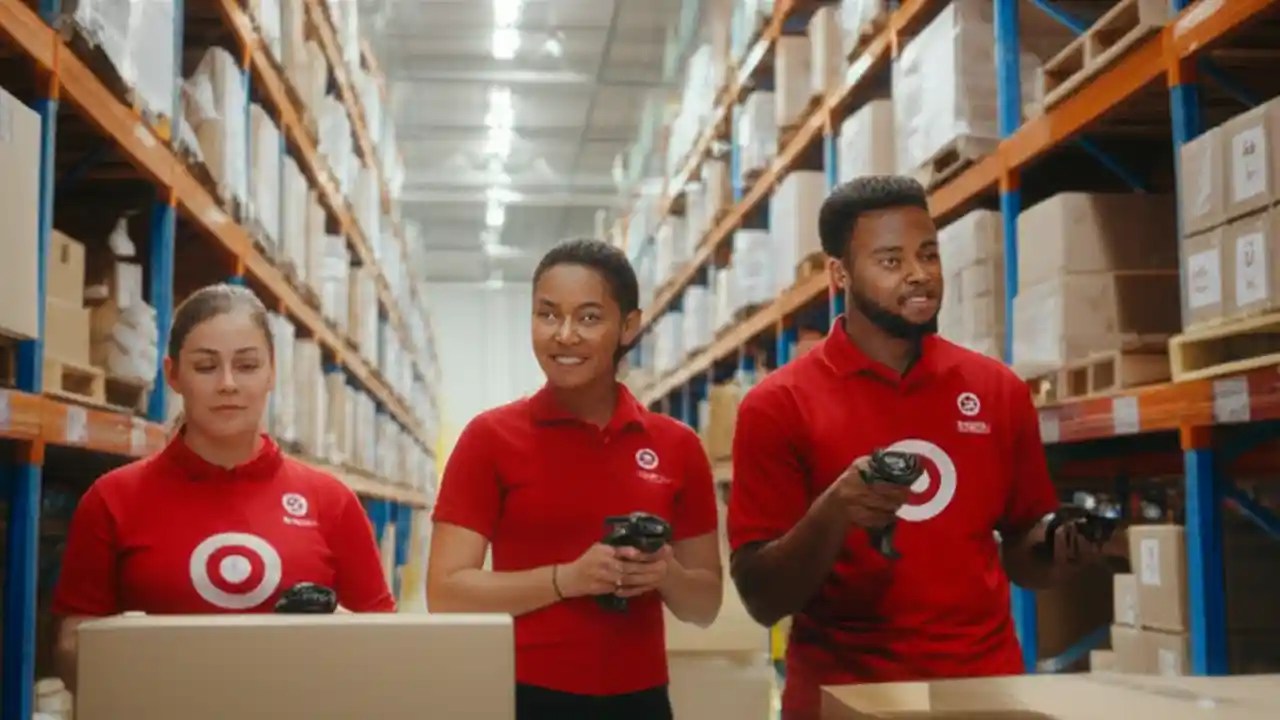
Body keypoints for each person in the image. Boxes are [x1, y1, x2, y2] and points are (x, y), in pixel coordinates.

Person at [725, 176, 1124, 719]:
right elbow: (761, 597)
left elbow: (1022, 554)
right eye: (891, 261)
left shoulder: (996, 389)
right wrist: (836, 510)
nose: (919, 274)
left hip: (984, 695)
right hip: (846, 698)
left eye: (929, 254)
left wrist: (1059, 548)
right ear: (839, 273)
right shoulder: (779, 404)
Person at [427, 238, 723, 720]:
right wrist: (567, 579)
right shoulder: (490, 438)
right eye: (547, 315)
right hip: (522, 696)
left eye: (589, 317)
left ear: (628, 326)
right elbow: (445, 592)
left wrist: (664, 574)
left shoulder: (677, 446)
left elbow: (704, 604)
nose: (564, 335)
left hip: (641, 700)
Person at [51, 283, 395, 690]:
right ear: (173, 375)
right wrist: (133, 655)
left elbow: (385, 650)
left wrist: (335, 627)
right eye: (206, 366)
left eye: (247, 366)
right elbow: (71, 650)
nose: (228, 384)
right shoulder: (112, 499)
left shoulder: (331, 502)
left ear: (272, 374)